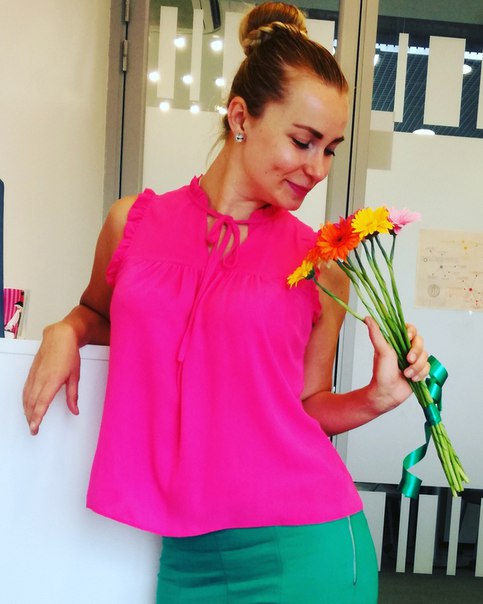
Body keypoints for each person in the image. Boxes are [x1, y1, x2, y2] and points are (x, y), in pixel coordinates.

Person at [23, 3, 429, 602]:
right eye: (303, 141)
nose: (317, 168)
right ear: (241, 117)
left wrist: (378, 397)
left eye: (330, 149)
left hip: (303, 544)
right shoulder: (133, 223)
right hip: (187, 553)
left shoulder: (321, 264)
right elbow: (99, 313)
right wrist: (67, 328)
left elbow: (305, 406)